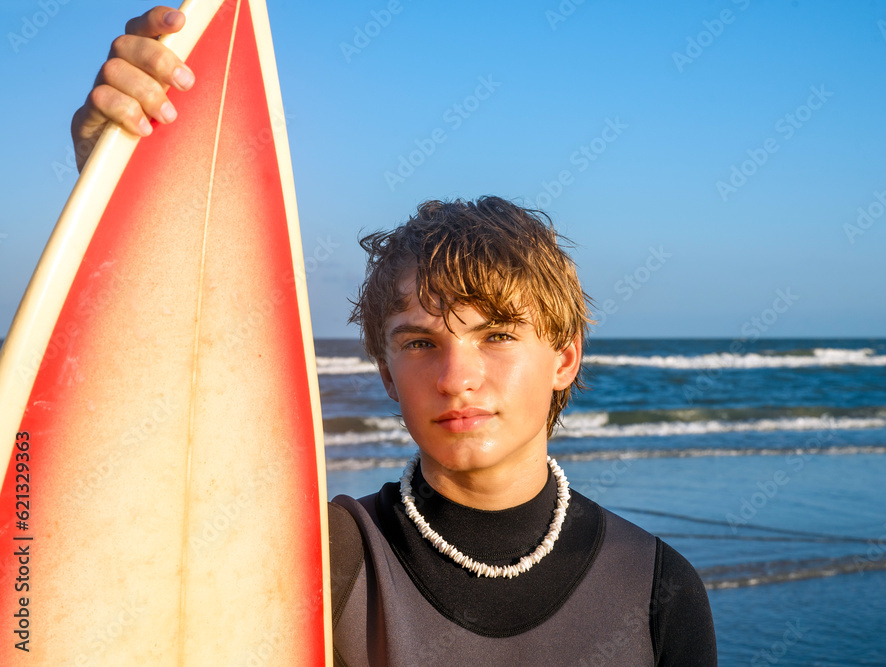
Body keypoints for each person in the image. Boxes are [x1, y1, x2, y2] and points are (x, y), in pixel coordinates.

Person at [72, 7, 717, 665]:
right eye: (418, 342)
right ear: (385, 370)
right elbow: (141, 564)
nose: (455, 375)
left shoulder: (656, 587)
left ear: (565, 355)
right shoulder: (328, 560)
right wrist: (120, 185)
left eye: (495, 334)